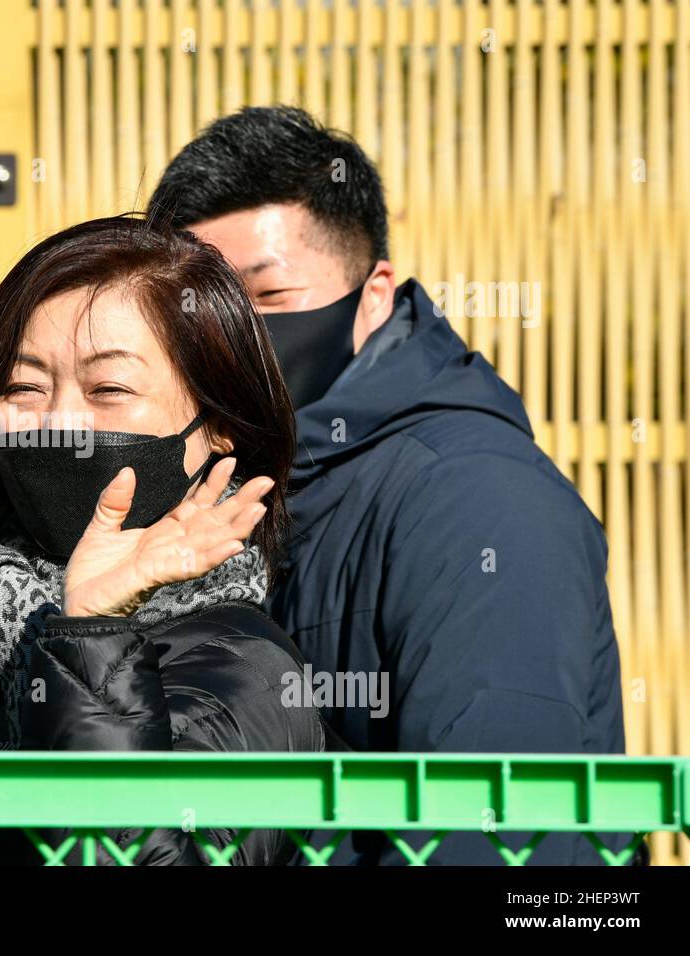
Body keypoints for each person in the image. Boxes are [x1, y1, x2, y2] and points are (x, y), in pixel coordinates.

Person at [150, 106, 628, 865]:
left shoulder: (476, 501)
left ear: (373, 295)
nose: (235, 335)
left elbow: (492, 841)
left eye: (268, 299)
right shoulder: (208, 481)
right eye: (203, 310)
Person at [0, 215, 330, 866]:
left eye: (109, 388)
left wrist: (90, 632)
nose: (63, 422)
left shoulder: (247, 673)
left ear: (222, 424)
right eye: (25, 387)